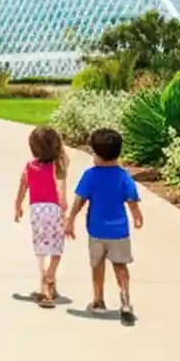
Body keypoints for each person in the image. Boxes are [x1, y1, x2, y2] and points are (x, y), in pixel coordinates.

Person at [64, 127, 143, 324]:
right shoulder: (123, 176)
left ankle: (98, 300)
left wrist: (70, 219)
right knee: (120, 266)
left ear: (96, 154)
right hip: (119, 231)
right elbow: (132, 200)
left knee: (97, 265)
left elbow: (79, 200)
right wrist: (137, 216)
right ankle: (125, 298)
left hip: (97, 231)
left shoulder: (91, 175)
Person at [14, 126, 69, 308]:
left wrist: (17, 206)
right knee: (56, 246)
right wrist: (64, 206)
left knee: (41, 246)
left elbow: (23, 186)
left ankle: (45, 284)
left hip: (37, 211)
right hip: (53, 209)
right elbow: (60, 187)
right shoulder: (57, 165)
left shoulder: (29, 166)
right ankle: (50, 274)